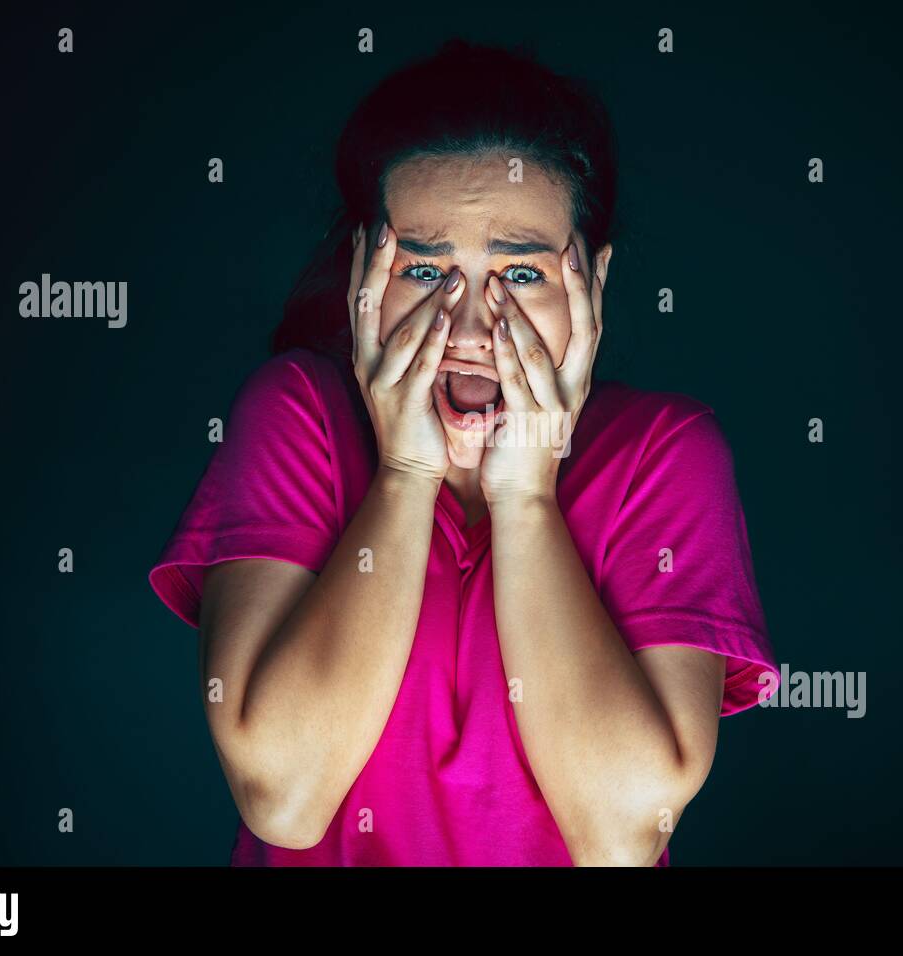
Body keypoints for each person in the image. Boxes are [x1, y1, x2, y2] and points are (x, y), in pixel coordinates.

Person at [148, 39, 778, 866]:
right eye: (422, 269)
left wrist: (526, 497)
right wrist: (406, 477)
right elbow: (285, 799)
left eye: (519, 276)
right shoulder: (298, 414)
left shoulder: (665, 455)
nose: (471, 330)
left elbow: (622, 834)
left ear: (593, 282)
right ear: (361, 280)